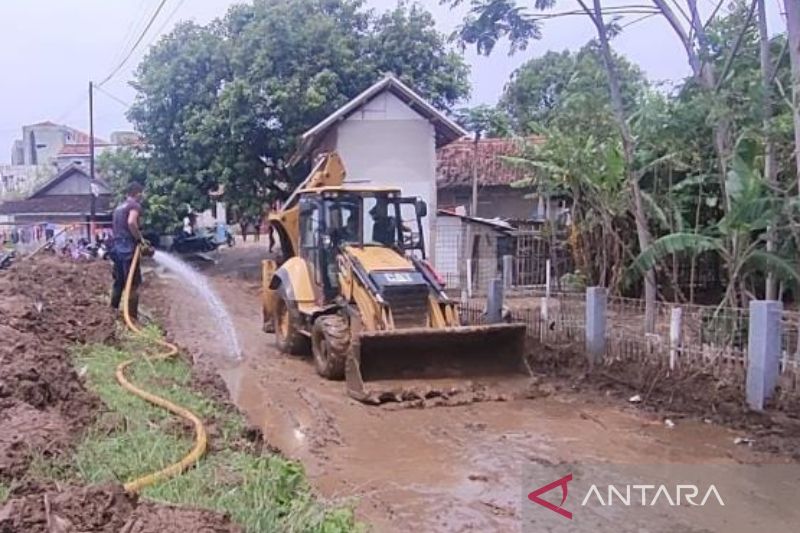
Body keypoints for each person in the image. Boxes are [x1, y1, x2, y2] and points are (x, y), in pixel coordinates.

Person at [110, 182, 145, 321]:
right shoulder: (134, 206)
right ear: (137, 193)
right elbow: (131, 222)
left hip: (116, 247)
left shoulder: (118, 208)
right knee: (133, 283)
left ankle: (112, 311)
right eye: (141, 193)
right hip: (128, 248)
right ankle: (132, 318)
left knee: (119, 282)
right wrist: (139, 239)